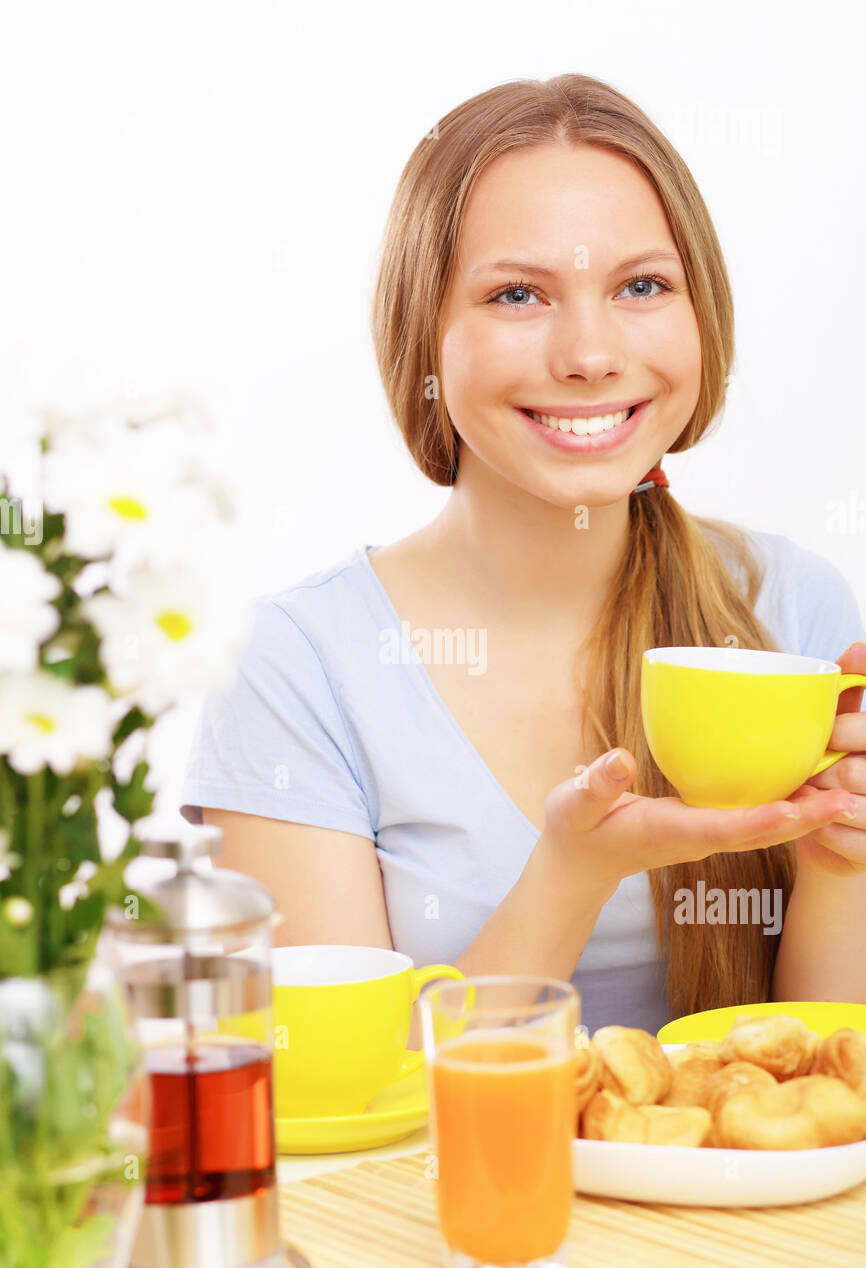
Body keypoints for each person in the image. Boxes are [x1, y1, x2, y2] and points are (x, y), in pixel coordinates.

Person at [180, 74, 866, 1034]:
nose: (590, 353)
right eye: (517, 294)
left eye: (641, 286)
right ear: (426, 335)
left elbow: (826, 1091)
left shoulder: (792, 612)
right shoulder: (298, 667)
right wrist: (572, 871)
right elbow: (348, 1098)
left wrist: (842, 857)